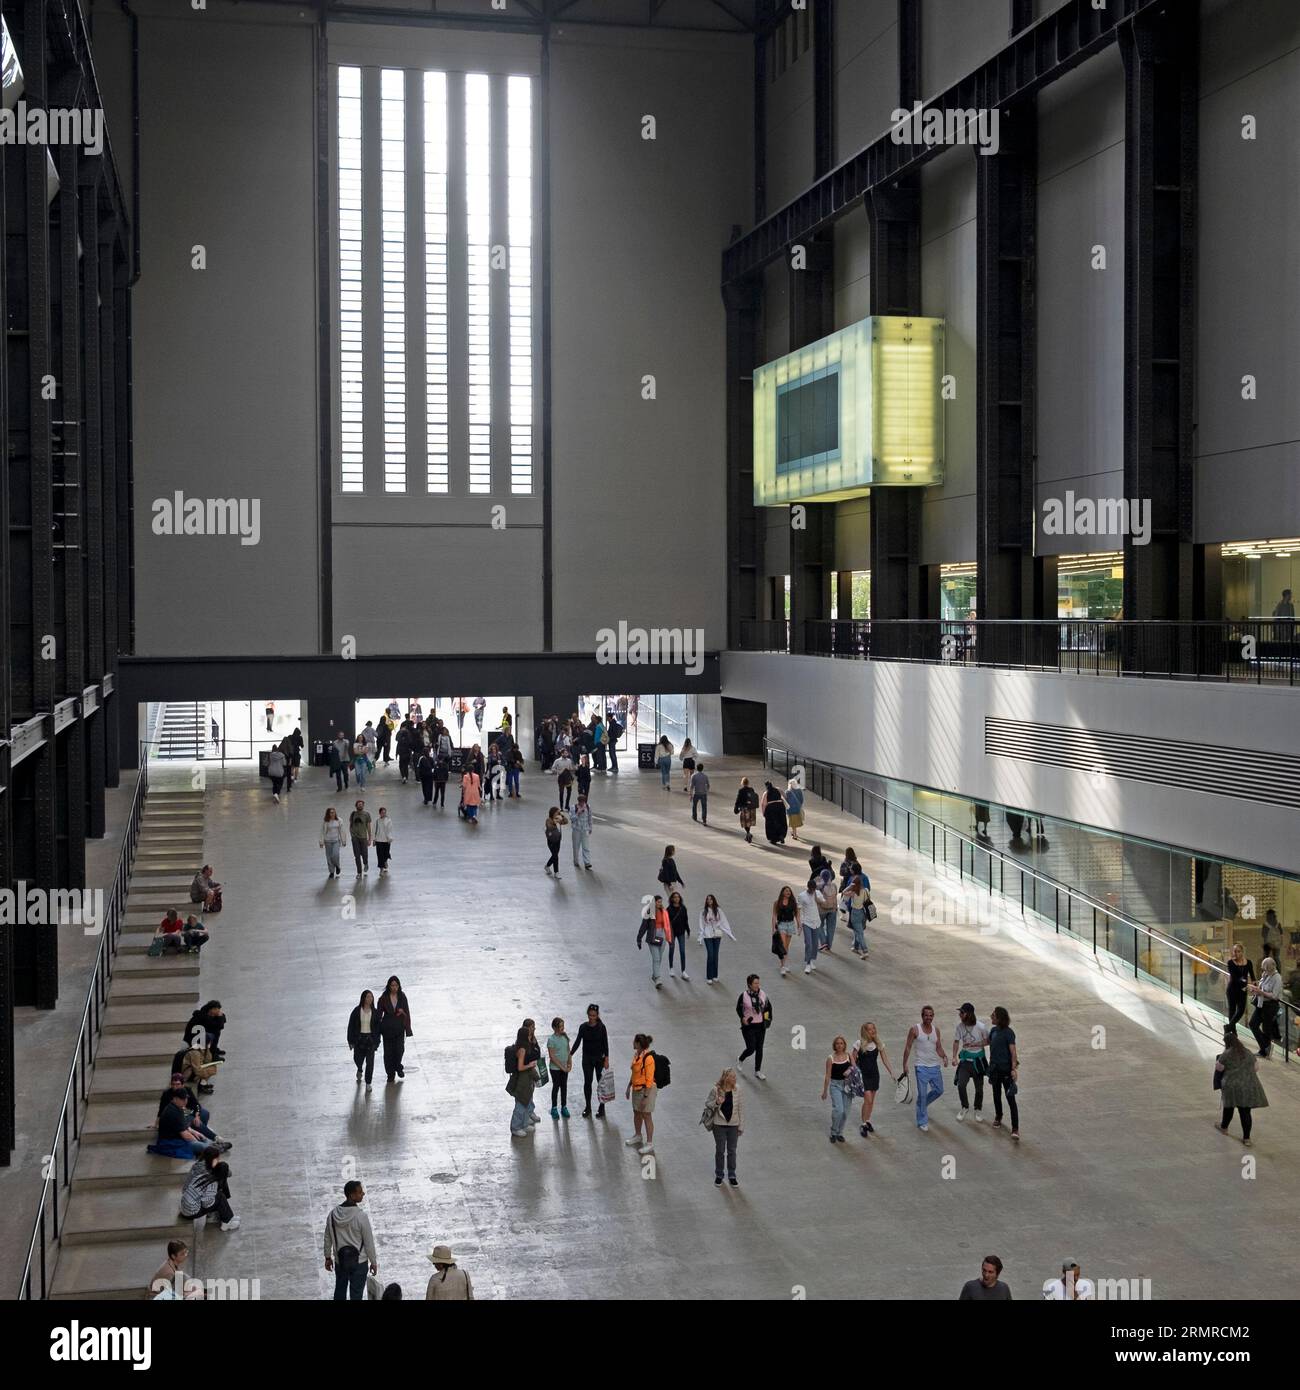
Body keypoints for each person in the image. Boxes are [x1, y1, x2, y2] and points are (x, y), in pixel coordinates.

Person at [324, 1180, 378, 1301]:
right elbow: (368, 1242)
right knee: (356, 1295)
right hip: (360, 1262)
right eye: (360, 1192)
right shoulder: (361, 1216)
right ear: (352, 1195)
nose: (363, 1193)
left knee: (339, 1291)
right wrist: (373, 1262)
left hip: (340, 1261)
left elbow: (328, 1237)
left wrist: (328, 1257)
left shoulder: (332, 1215)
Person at [1216, 1023, 1268, 1145]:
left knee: (1228, 1108)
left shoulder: (1226, 1054)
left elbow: (1219, 1068)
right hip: (1248, 1085)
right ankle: (1247, 1138)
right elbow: (1256, 1068)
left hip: (1232, 1086)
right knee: (1245, 1112)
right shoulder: (1248, 1052)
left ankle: (1224, 1128)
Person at [902, 1005, 949, 1132]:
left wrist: (944, 1056)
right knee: (922, 1094)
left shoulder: (936, 1030)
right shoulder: (915, 1030)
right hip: (921, 1066)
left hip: (934, 1066)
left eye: (931, 1015)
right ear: (922, 1016)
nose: (928, 1017)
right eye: (926, 1015)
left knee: (939, 1090)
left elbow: (938, 1047)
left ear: (933, 1016)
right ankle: (922, 1121)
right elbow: (908, 1047)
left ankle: (922, 1104)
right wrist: (904, 1064)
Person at [178, 1147, 239, 1232]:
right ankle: (226, 1220)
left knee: (218, 1185)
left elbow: (227, 1173)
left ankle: (228, 1215)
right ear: (213, 1159)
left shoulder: (201, 1165)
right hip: (192, 1209)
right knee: (219, 1195)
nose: (219, 1159)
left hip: (187, 1204)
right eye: (217, 1158)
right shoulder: (205, 1172)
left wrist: (219, 1167)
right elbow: (206, 1203)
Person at [853, 1022, 894, 1137]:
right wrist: (853, 1073)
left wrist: (891, 1071)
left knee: (872, 1102)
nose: (873, 1031)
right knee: (868, 1100)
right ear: (865, 1031)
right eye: (870, 1029)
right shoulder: (859, 1043)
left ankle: (867, 1121)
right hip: (863, 1076)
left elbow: (885, 1058)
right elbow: (852, 1059)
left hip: (874, 1075)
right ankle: (863, 1124)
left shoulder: (878, 1044)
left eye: (874, 1028)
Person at [953, 1003, 991, 1122]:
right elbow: (956, 1041)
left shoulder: (980, 1027)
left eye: (962, 1013)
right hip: (965, 1062)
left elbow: (988, 1040)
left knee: (979, 1088)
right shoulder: (959, 1027)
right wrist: (954, 1056)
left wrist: (976, 1044)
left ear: (968, 1014)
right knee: (961, 1084)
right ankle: (964, 1107)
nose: (960, 1015)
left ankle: (978, 1109)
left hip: (978, 1062)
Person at [150, 1090, 215, 1160]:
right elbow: (185, 1135)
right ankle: (212, 1148)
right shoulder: (172, 1112)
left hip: (180, 1137)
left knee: (203, 1138)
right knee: (203, 1146)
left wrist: (197, 1133)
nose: (185, 1101)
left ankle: (211, 1147)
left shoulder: (179, 1107)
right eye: (182, 1099)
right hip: (172, 1142)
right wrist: (197, 1141)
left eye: (186, 1098)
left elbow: (186, 1127)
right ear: (175, 1099)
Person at [705, 1068, 742, 1187]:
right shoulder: (716, 1089)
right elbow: (708, 1103)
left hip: (733, 1125)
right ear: (726, 1078)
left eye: (735, 1077)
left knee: (732, 1151)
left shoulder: (738, 1089)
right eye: (732, 1077)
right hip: (719, 1125)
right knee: (720, 1150)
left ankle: (732, 1175)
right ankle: (719, 1175)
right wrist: (716, 1102)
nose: (734, 1079)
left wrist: (741, 1126)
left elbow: (740, 1108)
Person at [987, 1006, 1020, 1139]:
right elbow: (987, 1042)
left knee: (1010, 1098)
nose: (991, 1017)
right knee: (996, 1095)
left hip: (1006, 1070)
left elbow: (1013, 1052)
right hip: (995, 1069)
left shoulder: (1008, 1033)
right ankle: (998, 1116)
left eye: (993, 1015)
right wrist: (972, 1044)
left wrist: (1013, 1069)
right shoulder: (993, 1031)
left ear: (1000, 1019)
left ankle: (1015, 1128)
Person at [507, 1019, 543, 1136]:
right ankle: (515, 1127)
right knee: (521, 1103)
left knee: (527, 1101)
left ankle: (524, 1124)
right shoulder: (522, 1049)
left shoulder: (526, 1047)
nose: (531, 1035)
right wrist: (530, 1065)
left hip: (527, 1079)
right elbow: (520, 1067)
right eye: (528, 1034)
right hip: (522, 1079)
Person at [574, 1004, 611, 1119]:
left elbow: (605, 1044)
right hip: (587, 1059)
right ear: (587, 1015)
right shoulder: (583, 1027)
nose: (592, 1017)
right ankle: (588, 1106)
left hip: (599, 1059)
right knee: (587, 1082)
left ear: (597, 1015)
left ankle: (602, 1107)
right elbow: (578, 1041)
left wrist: (606, 1058)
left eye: (594, 1015)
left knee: (601, 1083)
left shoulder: (601, 1027)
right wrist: (570, 1054)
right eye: (590, 1015)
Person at [625, 1034, 657, 1154]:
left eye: (634, 1041)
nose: (632, 1042)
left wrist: (645, 1097)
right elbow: (635, 1073)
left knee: (646, 1115)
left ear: (638, 1043)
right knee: (637, 1112)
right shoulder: (637, 1055)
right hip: (636, 1088)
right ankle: (638, 1135)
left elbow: (649, 1080)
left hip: (646, 1090)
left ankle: (649, 1143)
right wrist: (629, 1086)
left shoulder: (648, 1059)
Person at [377, 976, 413, 1083]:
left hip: (399, 1028)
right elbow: (379, 1015)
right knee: (388, 1053)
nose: (394, 987)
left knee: (399, 1049)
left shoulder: (402, 997)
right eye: (392, 985)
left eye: (396, 985)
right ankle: (390, 1074)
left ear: (399, 986)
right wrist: (377, 1030)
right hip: (387, 1029)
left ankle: (398, 1066)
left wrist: (408, 1028)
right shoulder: (383, 998)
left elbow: (407, 1012)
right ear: (389, 986)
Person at [736, 974, 771, 1080]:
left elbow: (768, 1007)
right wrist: (742, 1018)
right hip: (749, 1026)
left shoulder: (763, 994)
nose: (757, 985)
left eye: (758, 983)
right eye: (755, 983)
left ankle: (758, 1070)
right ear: (749, 985)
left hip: (760, 1026)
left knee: (759, 1048)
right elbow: (738, 1008)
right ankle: (741, 1058)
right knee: (751, 1048)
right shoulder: (744, 996)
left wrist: (767, 1020)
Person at [821, 1036, 853, 1142]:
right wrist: (825, 1091)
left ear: (844, 1045)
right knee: (839, 1110)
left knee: (845, 1112)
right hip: (835, 1085)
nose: (839, 1045)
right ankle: (833, 1132)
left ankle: (840, 1132)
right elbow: (827, 1075)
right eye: (837, 1044)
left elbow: (855, 1068)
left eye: (841, 1043)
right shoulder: (831, 1058)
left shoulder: (849, 1056)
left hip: (847, 1086)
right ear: (834, 1046)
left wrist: (849, 1070)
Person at [1249, 956, 1283, 1057]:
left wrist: (1261, 992)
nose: (1264, 971)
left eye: (1266, 968)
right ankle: (1266, 1046)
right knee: (1252, 1024)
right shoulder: (1265, 974)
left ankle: (1264, 1050)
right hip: (1261, 1004)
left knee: (1266, 1029)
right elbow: (1261, 986)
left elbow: (1275, 996)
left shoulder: (1277, 978)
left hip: (1270, 1006)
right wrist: (1255, 989)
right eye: (1263, 968)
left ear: (1271, 967)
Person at [347, 989, 380, 1091]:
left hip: (370, 1040)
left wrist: (377, 1041)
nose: (370, 999)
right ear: (363, 998)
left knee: (370, 1063)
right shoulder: (357, 1011)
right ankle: (359, 1069)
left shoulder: (375, 1012)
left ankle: (368, 1083)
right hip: (359, 1039)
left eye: (371, 997)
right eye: (368, 997)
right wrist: (351, 1041)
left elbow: (378, 1028)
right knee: (357, 1059)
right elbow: (351, 1026)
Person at [699, 894, 735, 984]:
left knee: (715, 955)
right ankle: (709, 976)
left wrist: (729, 933)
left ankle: (715, 975)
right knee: (710, 955)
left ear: (714, 900)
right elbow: (701, 924)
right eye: (708, 899)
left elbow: (724, 921)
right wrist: (700, 936)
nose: (709, 901)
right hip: (707, 935)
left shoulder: (719, 910)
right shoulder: (703, 912)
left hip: (717, 935)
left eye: (711, 899)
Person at [637, 895, 670, 989]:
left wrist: (669, 937)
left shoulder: (663, 911)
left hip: (662, 936)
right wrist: (639, 939)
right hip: (653, 937)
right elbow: (643, 926)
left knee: (659, 958)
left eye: (660, 902)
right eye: (658, 902)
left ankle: (654, 975)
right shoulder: (649, 912)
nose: (660, 903)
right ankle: (658, 978)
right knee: (656, 958)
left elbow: (667, 925)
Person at [547, 1017, 573, 1119]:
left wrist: (569, 1062)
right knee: (556, 1086)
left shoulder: (565, 1037)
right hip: (555, 1069)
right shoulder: (551, 1040)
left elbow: (568, 1051)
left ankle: (564, 1106)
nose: (562, 1028)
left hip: (564, 1068)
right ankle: (554, 1108)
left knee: (564, 1086)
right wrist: (562, 1067)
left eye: (563, 1026)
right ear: (554, 1027)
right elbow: (552, 1056)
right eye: (560, 1026)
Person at [841, 875, 871, 958]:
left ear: (854, 884)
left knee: (859, 933)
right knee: (858, 931)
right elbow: (868, 899)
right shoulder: (866, 891)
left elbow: (843, 892)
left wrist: (850, 886)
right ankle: (855, 947)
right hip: (863, 913)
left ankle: (865, 951)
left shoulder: (853, 893)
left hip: (855, 913)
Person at [796, 877, 822, 975]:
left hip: (816, 922)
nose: (812, 891)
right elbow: (798, 909)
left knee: (815, 943)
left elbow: (823, 902)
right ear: (808, 887)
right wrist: (799, 923)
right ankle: (807, 963)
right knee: (808, 943)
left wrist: (816, 897)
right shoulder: (801, 896)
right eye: (811, 889)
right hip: (806, 922)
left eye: (814, 889)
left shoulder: (817, 893)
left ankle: (811, 960)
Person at [1226, 943, 1255, 1027]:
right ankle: (1233, 1031)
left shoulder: (1248, 962)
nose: (1236, 953)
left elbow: (1252, 976)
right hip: (1232, 989)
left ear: (1242, 952)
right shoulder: (1230, 962)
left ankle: (1228, 1027)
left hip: (1242, 990)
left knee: (1241, 1010)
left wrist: (1254, 984)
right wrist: (1246, 982)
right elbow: (1235, 978)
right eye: (1234, 951)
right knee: (1232, 1010)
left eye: (1238, 951)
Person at [771, 884, 797, 976]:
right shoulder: (777, 903)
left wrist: (799, 924)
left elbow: (796, 914)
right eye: (786, 891)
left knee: (786, 946)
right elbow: (774, 916)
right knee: (782, 945)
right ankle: (782, 966)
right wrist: (773, 928)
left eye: (789, 891)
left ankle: (784, 964)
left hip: (790, 925)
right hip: (781, 924)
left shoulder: (793, 903)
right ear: (782, 892)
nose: (788, 892)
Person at [665, 890, 690, 980]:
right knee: (671, 949)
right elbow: (667, 923)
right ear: (672, 899)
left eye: (678, 897)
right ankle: (671, 968)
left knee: (682, 951)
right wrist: (667, 932)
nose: (677, 899)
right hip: (672, 932)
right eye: (675, 897)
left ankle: (683, 971)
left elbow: (685, 920)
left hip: (681, 932)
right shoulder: (668, 909)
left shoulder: (683, 908)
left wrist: (688, 930)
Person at [815, 868, 838, 954]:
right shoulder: (834, 885)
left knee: (819, 925)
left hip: (822, 910)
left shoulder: (819, 886)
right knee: (831, 928)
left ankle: (823, 942)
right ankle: (829, 946)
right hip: (833, 909)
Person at [570, 794, 594, 871]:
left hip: (585, 830)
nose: (582, 804)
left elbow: (590, 817)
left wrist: (590, 827)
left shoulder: (588, 807)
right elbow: (572, 819)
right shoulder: (573, 807)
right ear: (578, 801)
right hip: (576, 830)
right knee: (576, 847)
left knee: (586, 847)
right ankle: (576, 861)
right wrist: (578, 813)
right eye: (581, 802)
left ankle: (587, 863)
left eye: (583, 802)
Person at [543, 806, 568, 878]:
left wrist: (562, 816)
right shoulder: (548, 820)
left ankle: (547, 866)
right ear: (553, 813)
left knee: (555, 855)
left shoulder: (559, 818)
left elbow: (566, 822)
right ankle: (556, 872)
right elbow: (549, 827)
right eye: (557, 812)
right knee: (555, 856)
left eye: (558, 812)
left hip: (557, 839)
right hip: (551, 840)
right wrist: (555, 821)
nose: (558, 813)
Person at [760, 781, 788, 845]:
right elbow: (785, 796)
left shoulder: (766, 793)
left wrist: (764, 812)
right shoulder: (778, 789)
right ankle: (781, 835)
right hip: (780, 806)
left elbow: (763, 804)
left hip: (771, 808)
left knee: (771, 824)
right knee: (781, 821)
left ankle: (773, 839)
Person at [348, 801, 372, 875]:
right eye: (359, 805)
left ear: (363, 806)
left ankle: (365, 863)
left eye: (361, 805)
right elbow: (350, 825)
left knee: (365, 854)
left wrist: (370, 838)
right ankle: (359, 872)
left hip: (363, 837)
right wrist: (352, 835)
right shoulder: (353, 814)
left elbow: (368, 826)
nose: (360, 806)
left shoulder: (366, 814)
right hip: (355, 838)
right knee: (357, 856)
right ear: (356, 806)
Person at [733, 777, 759, 843]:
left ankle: (748, 834)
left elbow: (738, 800)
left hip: (744, 809)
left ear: (742, 783)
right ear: (748, 783)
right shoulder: (751, 789)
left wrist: (736, 808)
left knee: (745, 823)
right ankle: (748, 835)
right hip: (751, 808)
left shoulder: (741, 791)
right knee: (749, 822)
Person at [374, 807, 394, 874]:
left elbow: (390, 830)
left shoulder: (388, 820)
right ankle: (381, 869)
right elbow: (374, 830)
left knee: (386, 853)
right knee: (380, 855)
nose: (383, 814)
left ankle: (385, 861)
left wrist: (390, 838)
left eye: (385, 812)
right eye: (382, 812)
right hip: (379, 840)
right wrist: (374, 839)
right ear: (379, 813)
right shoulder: (377, 820)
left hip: (386, 840)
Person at [605, 709, 622, 773]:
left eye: (607, 717)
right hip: (611, 741)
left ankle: (615, 767)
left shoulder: (613, 724)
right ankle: (613, 766)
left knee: (612, 754)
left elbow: (613, 733)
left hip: (612, 741)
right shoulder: (611, 723)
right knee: (612, 754)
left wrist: (609, 737)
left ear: (609, 717)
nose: (606, 719)